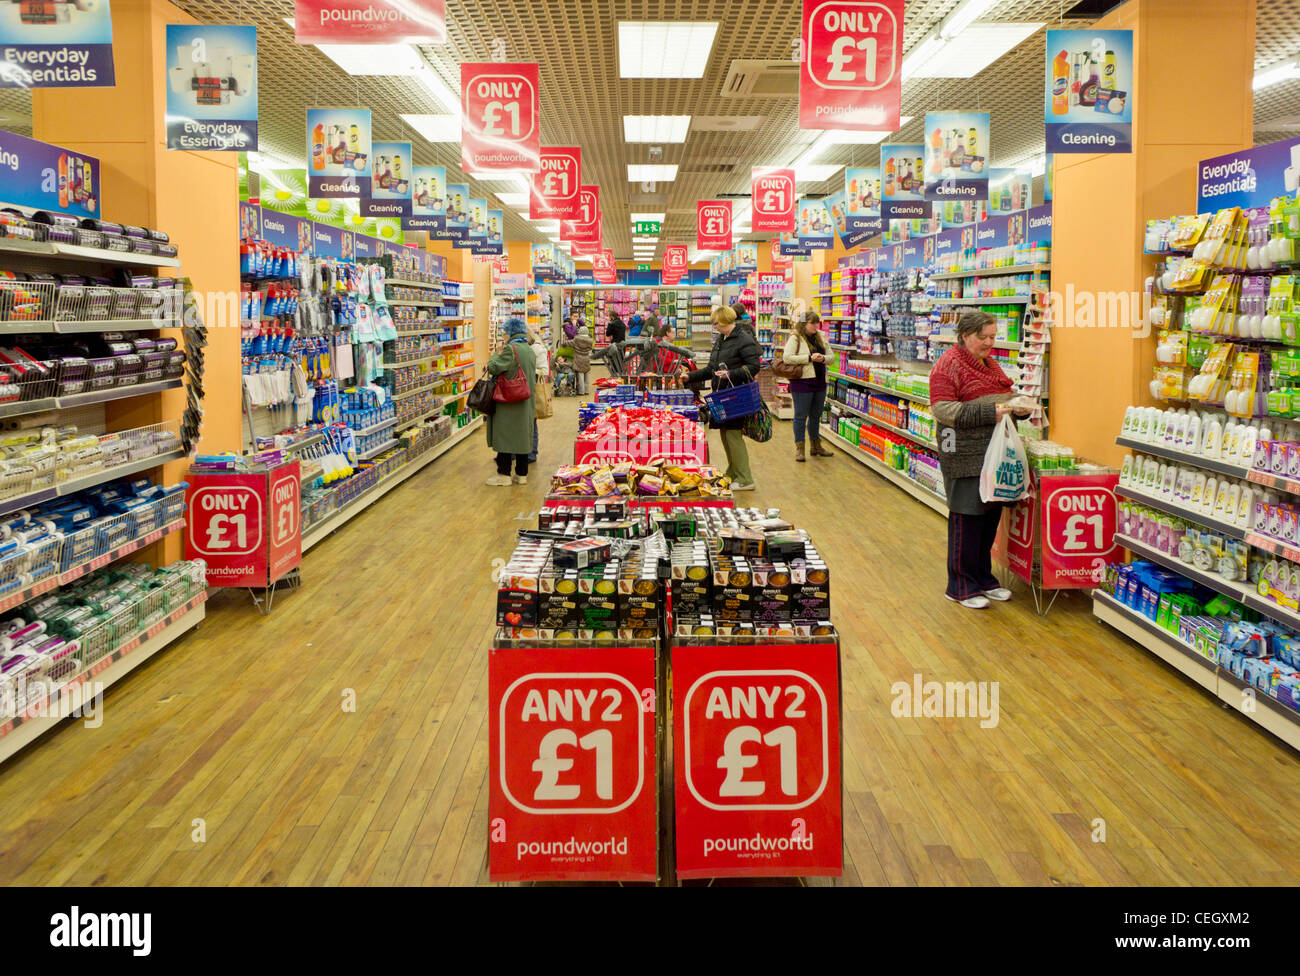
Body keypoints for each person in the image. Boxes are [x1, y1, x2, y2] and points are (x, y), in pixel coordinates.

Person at [930, 311, 1032, 609]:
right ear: (965, 336)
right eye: (982, 337)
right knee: (967, 516)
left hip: (992, 453)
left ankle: (983, 578)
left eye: (992, 336)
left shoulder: (989, 363)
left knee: (989, 515)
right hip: (962, 452)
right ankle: (959, 584)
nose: (989, 342)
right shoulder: (948, 364)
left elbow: (1002, 395)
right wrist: (993, 412)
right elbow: (943, 410)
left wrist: (1018, 406)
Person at [679, 305, 760, 491]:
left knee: (733, 435)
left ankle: (746, 478)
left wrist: (730, 373)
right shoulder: (721, 339)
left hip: (736, 395)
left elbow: (754, 366)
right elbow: (710, 369)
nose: (714, 327)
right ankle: (732, 473)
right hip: (722, 395)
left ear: (725, 321)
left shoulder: (743, 339)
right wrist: (689, 377)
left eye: (716, 323)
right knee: (726, 435)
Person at [484, 317, 537, 486]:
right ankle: (521, 474)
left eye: (504, 333)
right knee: (521, 437)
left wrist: (496, 354)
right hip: (525, 400)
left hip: (509, 400)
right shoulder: (529, 349)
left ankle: (504, 474)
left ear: (510, 332)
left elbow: (493, 367)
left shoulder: (510, 350)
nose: (503, 336)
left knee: (504, 435)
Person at [783, 311, 833, 462]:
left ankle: (815, 446)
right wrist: (809, 358)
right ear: (804, 324)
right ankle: (800, 449)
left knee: (815, 416)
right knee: (800, 416)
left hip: (819, 382)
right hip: (802, 383)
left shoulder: (821, 337)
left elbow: (831, 357)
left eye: (817, 323)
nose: (816, 326)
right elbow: (787, 357)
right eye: (813, 323)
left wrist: (823, 358)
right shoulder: (795, 338)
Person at [527, 328, 550, 463]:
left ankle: (532, 452)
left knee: (532, 420)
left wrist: (526, 371)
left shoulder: (537, 349)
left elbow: (544, 370)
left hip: (533, 388)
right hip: (521, 389)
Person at [570, 317, 593, 396]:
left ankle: (581, 391)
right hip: (586, 358)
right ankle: (587, 391)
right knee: (586, 375)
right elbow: (590, 348)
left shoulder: (577, 339)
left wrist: (564, 344)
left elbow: (570, 343)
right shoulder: (590, 340)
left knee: (580, 375)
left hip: (579, 359)